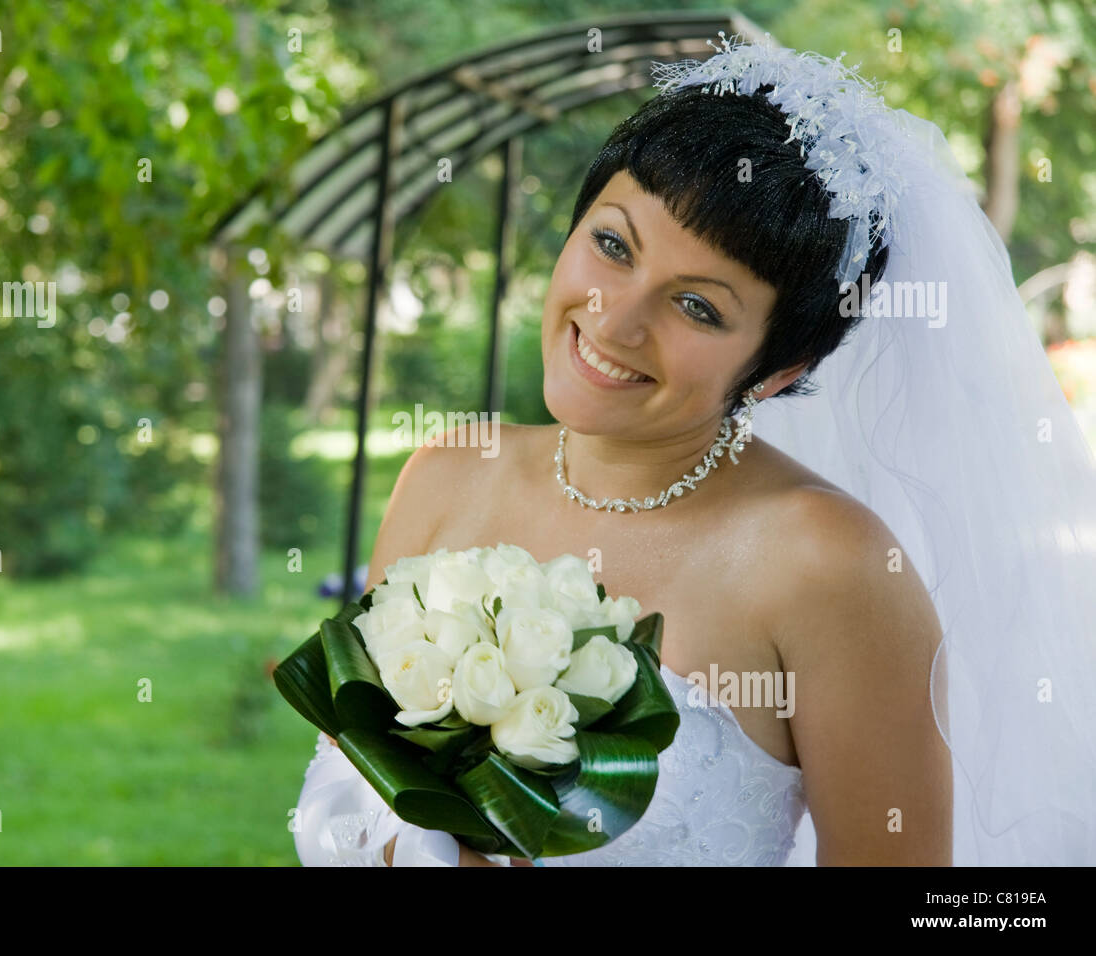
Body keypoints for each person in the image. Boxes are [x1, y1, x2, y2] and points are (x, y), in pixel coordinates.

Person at [291, 33, 1096, 866]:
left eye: (698, 308)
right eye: (613, 245)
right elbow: (351, 790)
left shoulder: (829, 567)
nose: (615, 319)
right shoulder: (444, 475)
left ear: (777, 372)